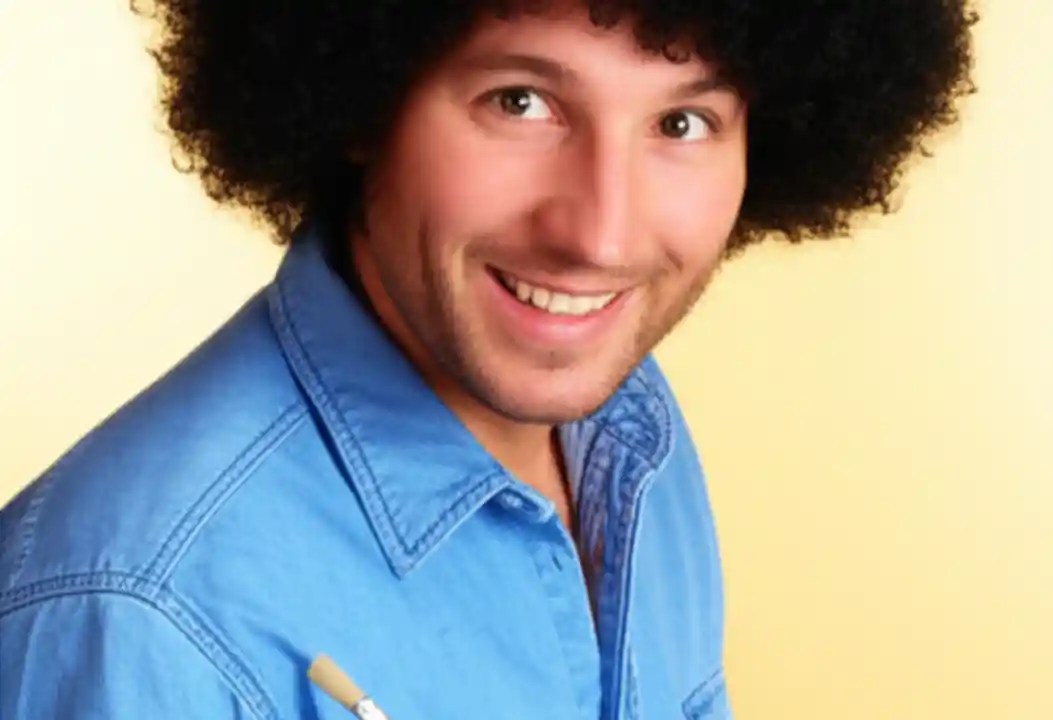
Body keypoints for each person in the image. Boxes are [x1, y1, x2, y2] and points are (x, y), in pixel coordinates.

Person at [0, 0, 974, 717]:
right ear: (358, 105)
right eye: (520, 101)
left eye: (681, 123)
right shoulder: (134, 620)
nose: (599, 233)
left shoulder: (632, 433)